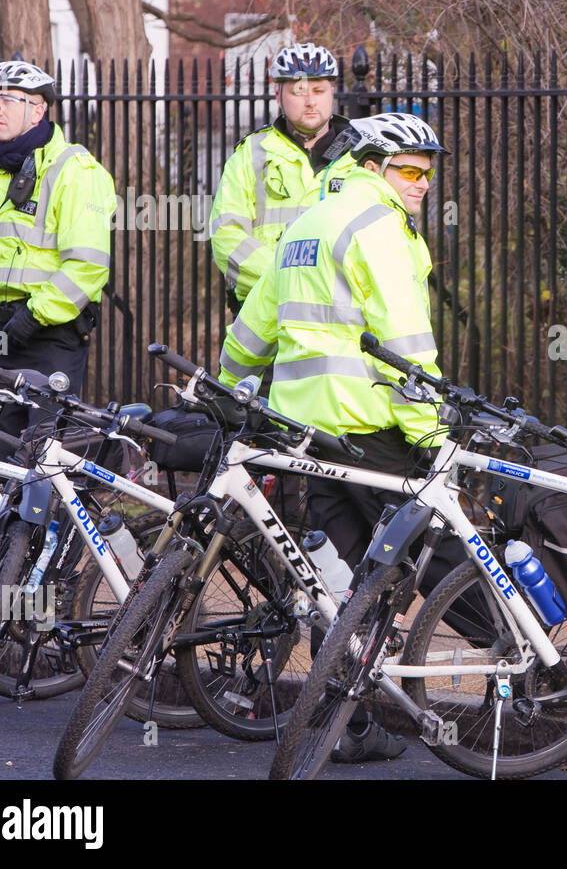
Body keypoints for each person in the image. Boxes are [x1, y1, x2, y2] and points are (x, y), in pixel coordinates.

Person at [220, 111, 459, 763]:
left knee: (338, 578)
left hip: (306, 425)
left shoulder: (306, 221)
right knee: (425, 556)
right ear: (374, 166)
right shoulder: (376, 224)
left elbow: (255, 321)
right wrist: (432, 431)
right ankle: (511, 665)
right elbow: (407, 343)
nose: (422, 184)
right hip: (369, 418)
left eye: (428, 174)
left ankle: (346, 721)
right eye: (410, 170)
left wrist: (228, 386)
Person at [0, 60, 113, 448]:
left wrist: (32, 317)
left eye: (7, 99)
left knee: (43, 458)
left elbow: (88, 266)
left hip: (50, 338)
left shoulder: (74, 170)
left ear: (38, 108)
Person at [208, 42, 358, 314]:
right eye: (298, 92)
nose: (310, 101)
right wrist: (289, 281)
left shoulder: (360, 156)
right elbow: (226, 234)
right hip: (265, 315)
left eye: (319, 90)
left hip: (342, 319)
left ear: (332, 93)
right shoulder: (251, 154)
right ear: (279, 96)